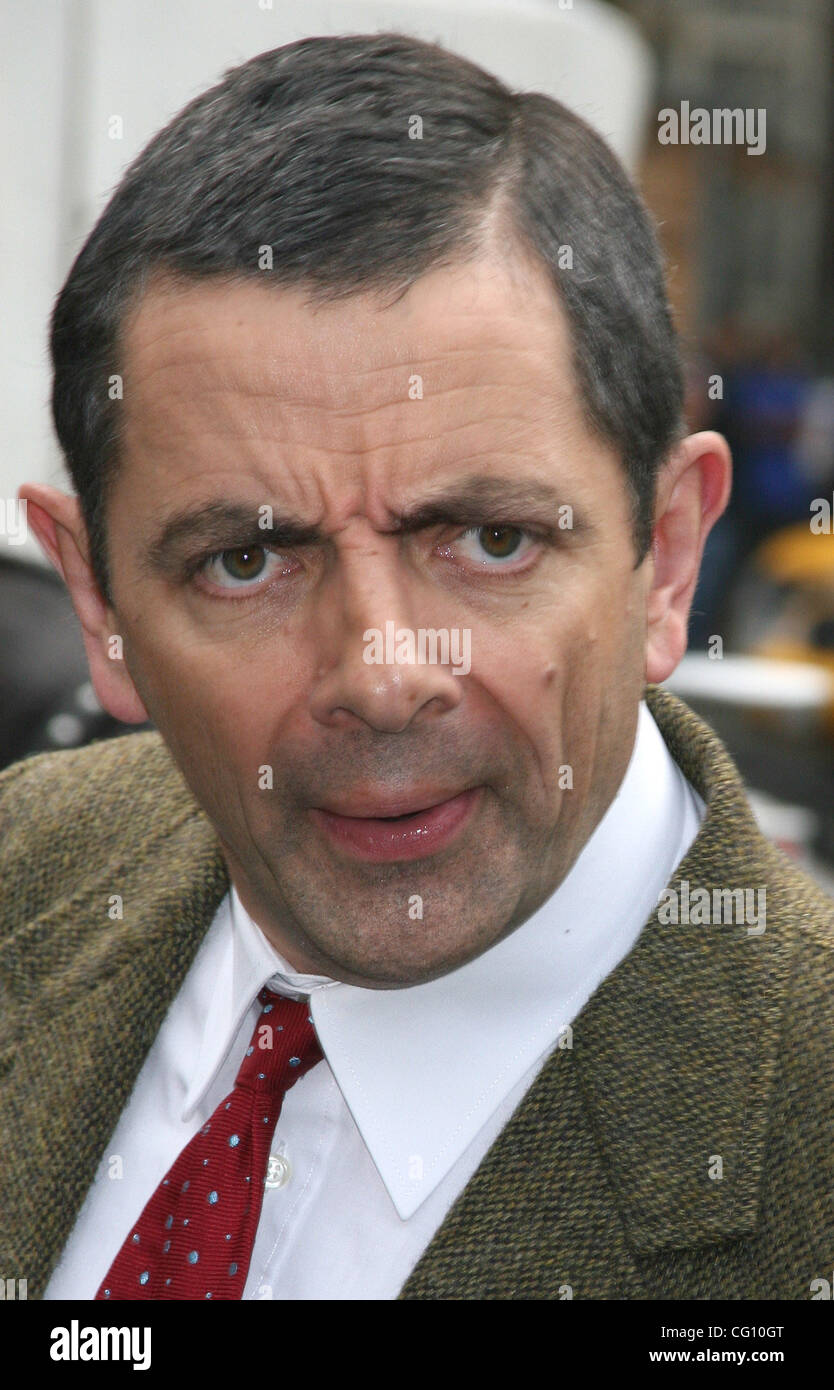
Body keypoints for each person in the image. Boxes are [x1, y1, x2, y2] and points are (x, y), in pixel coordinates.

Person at [2, 32, 832, 1302]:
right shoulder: (26, 873)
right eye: (245, 562)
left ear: (668, 559)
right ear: (100, 603)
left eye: (490, 541)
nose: (384, 676)